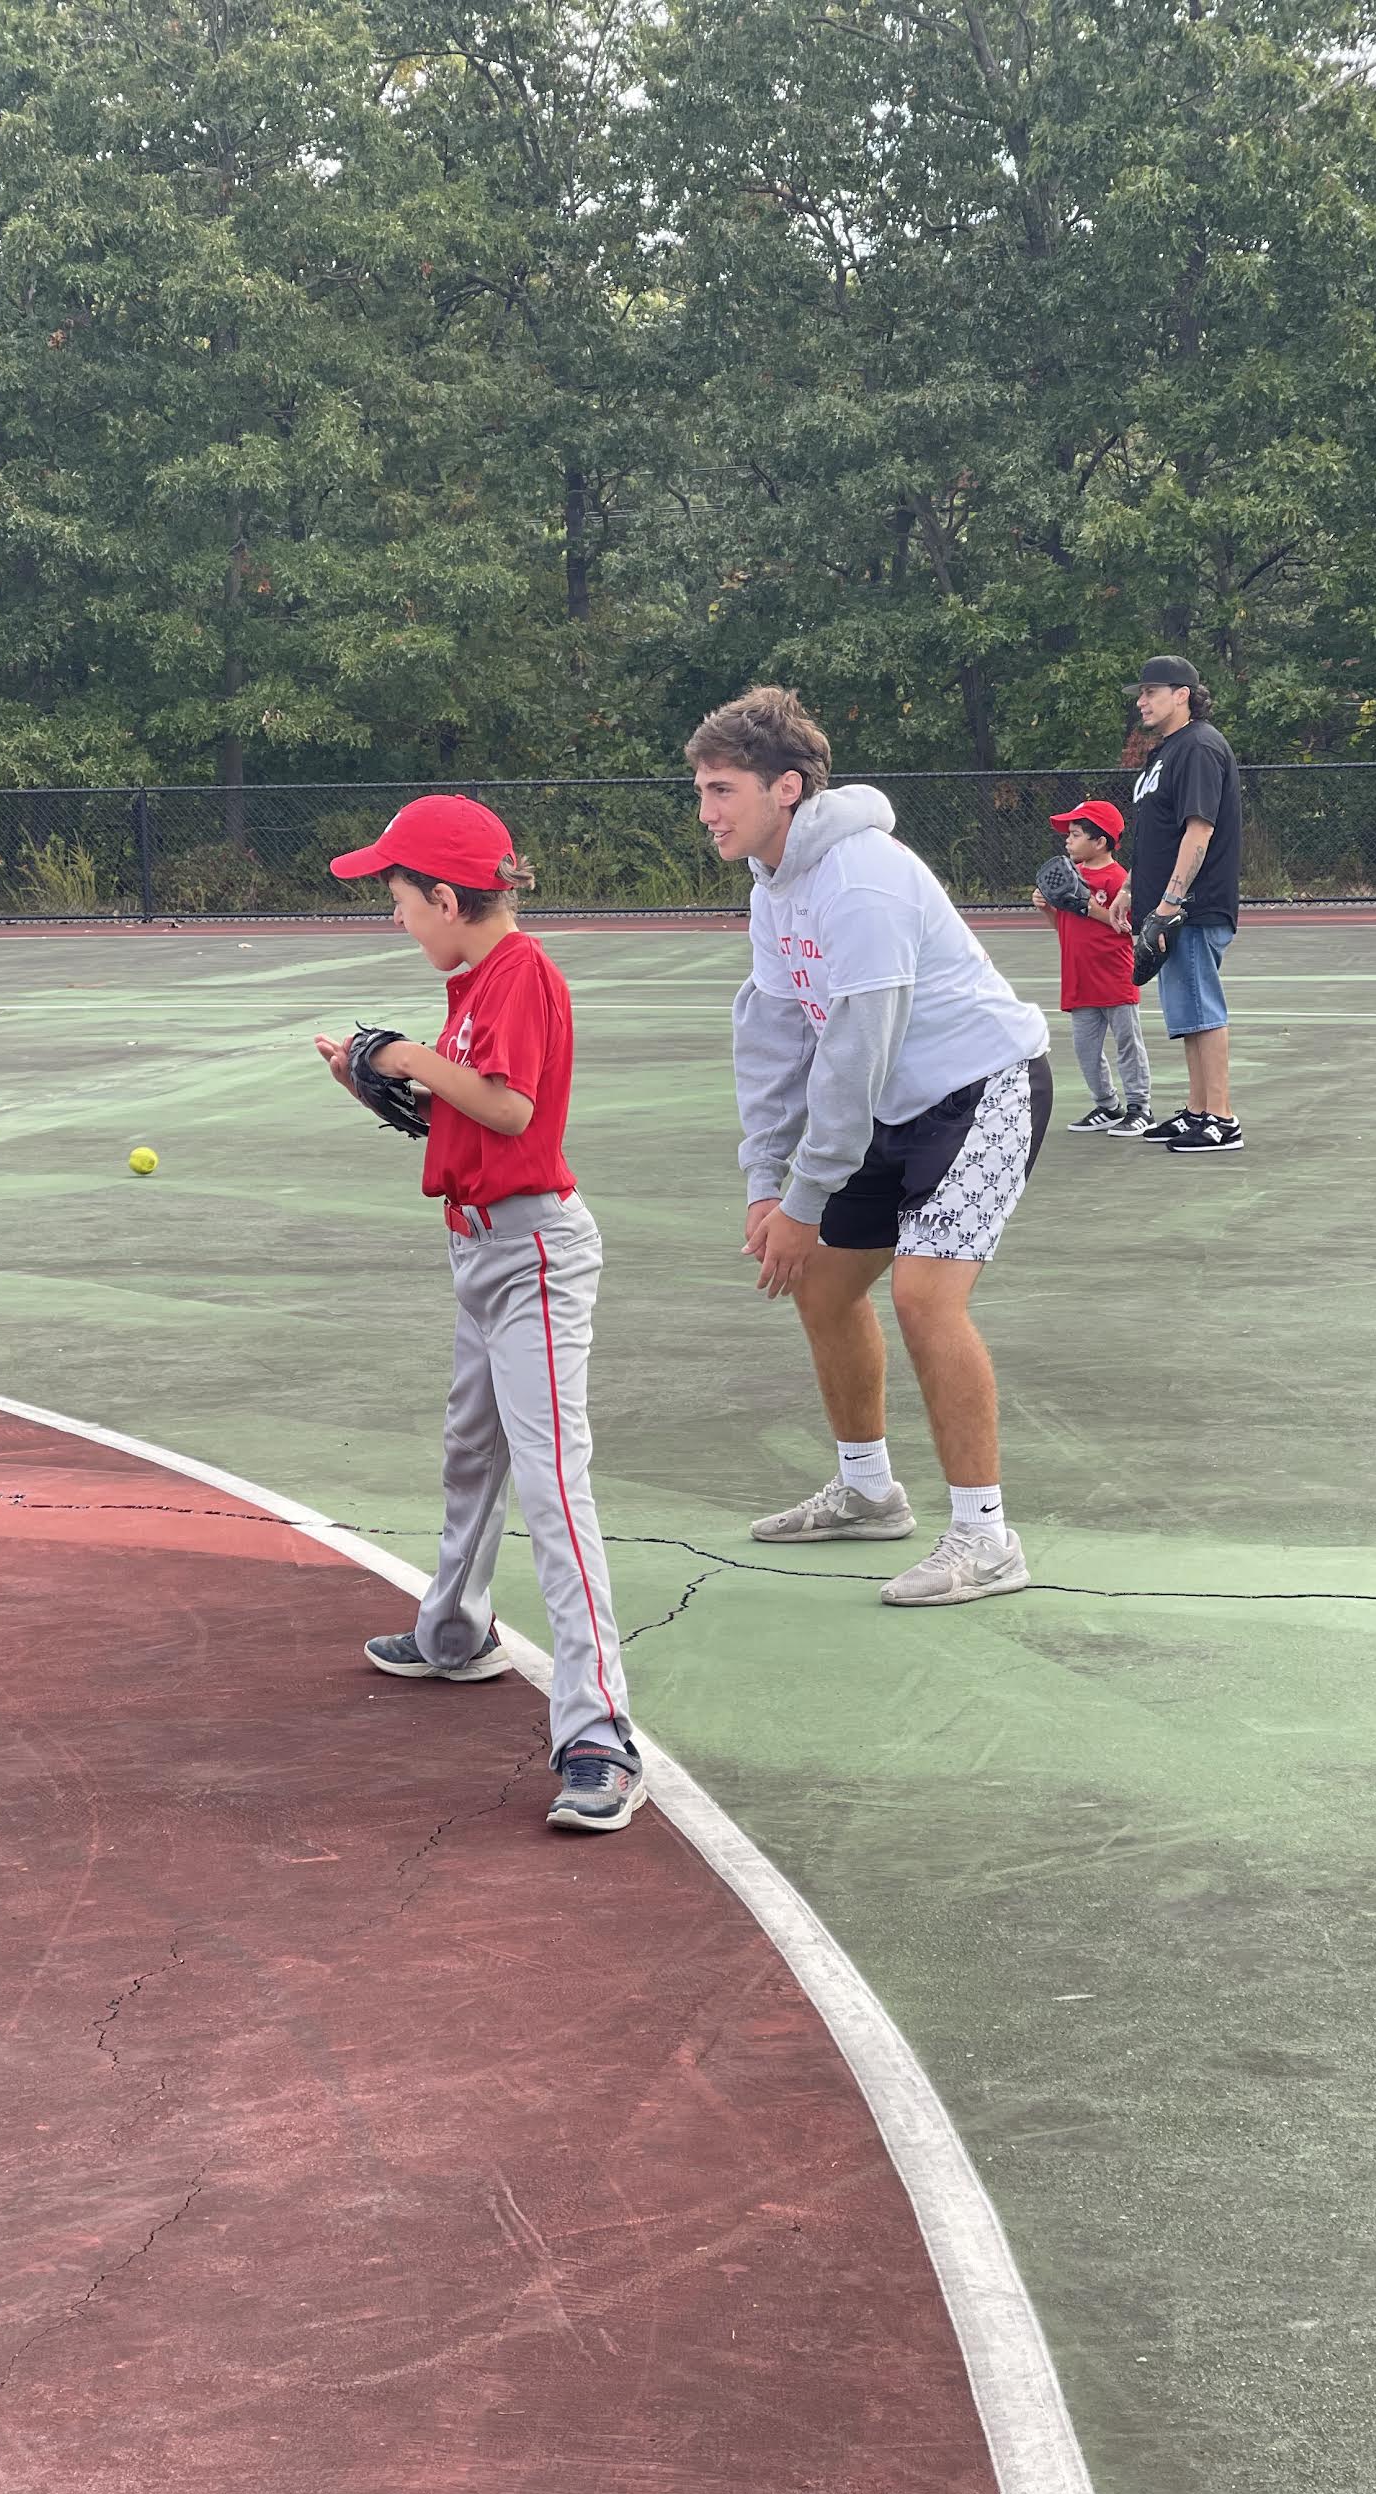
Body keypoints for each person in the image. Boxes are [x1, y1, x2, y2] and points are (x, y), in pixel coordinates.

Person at [313, 794, 644, 1833]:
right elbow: (466, 1118)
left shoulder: (518, 975)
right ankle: (455, 1633)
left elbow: (508, 1107)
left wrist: (406, 1056)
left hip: (533, 1257)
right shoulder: (474, 982)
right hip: (482, 1244)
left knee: (553, 1484)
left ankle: (598, 1736)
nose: (396, 918)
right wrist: (381, 1088)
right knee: (471, 1449)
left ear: (449, 897)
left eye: (400, 899)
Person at [690, 684, 1052, 1607]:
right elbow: (775, 1039)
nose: (706, 812)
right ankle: (867, 1490)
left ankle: (986, 1539)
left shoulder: (860, 877)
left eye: (722, 789)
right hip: (888, 1108)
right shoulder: (776, 885)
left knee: (927, 1297)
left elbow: (855, 1051)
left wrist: (806, 1199)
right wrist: (768, 1186)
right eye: (701, 791)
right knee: (823, 1283)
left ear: (787, 789)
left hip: (981, 1090)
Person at [1109, 656, 1243, 1153]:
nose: (1141, 702)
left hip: (1193, 904)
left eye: (1150, 691)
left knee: (1202, 1006)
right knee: (1186, 1009)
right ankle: (1198, 1109)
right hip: (1165, 906)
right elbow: (1156, 834)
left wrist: (1170, 901)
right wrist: (1129, 887)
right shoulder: (1166, 751)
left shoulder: (1200, 747)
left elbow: (1198, 830)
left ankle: (1222, 1118)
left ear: (1181, 693)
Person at [1034, 799, 1151, 1136]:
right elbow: (1065, 926)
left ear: (1100, 841)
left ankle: (1139, 1107)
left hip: (1114, 975)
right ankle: (1107, 1105)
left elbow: (1126, 926)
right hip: (1078, 976)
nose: (1067, 840)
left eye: (1075, 834)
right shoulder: (1071, 877)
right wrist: (1048, 907)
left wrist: (1085, 905)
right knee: (1085, 1048)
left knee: (1128, 1043)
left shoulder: (1118, 880)